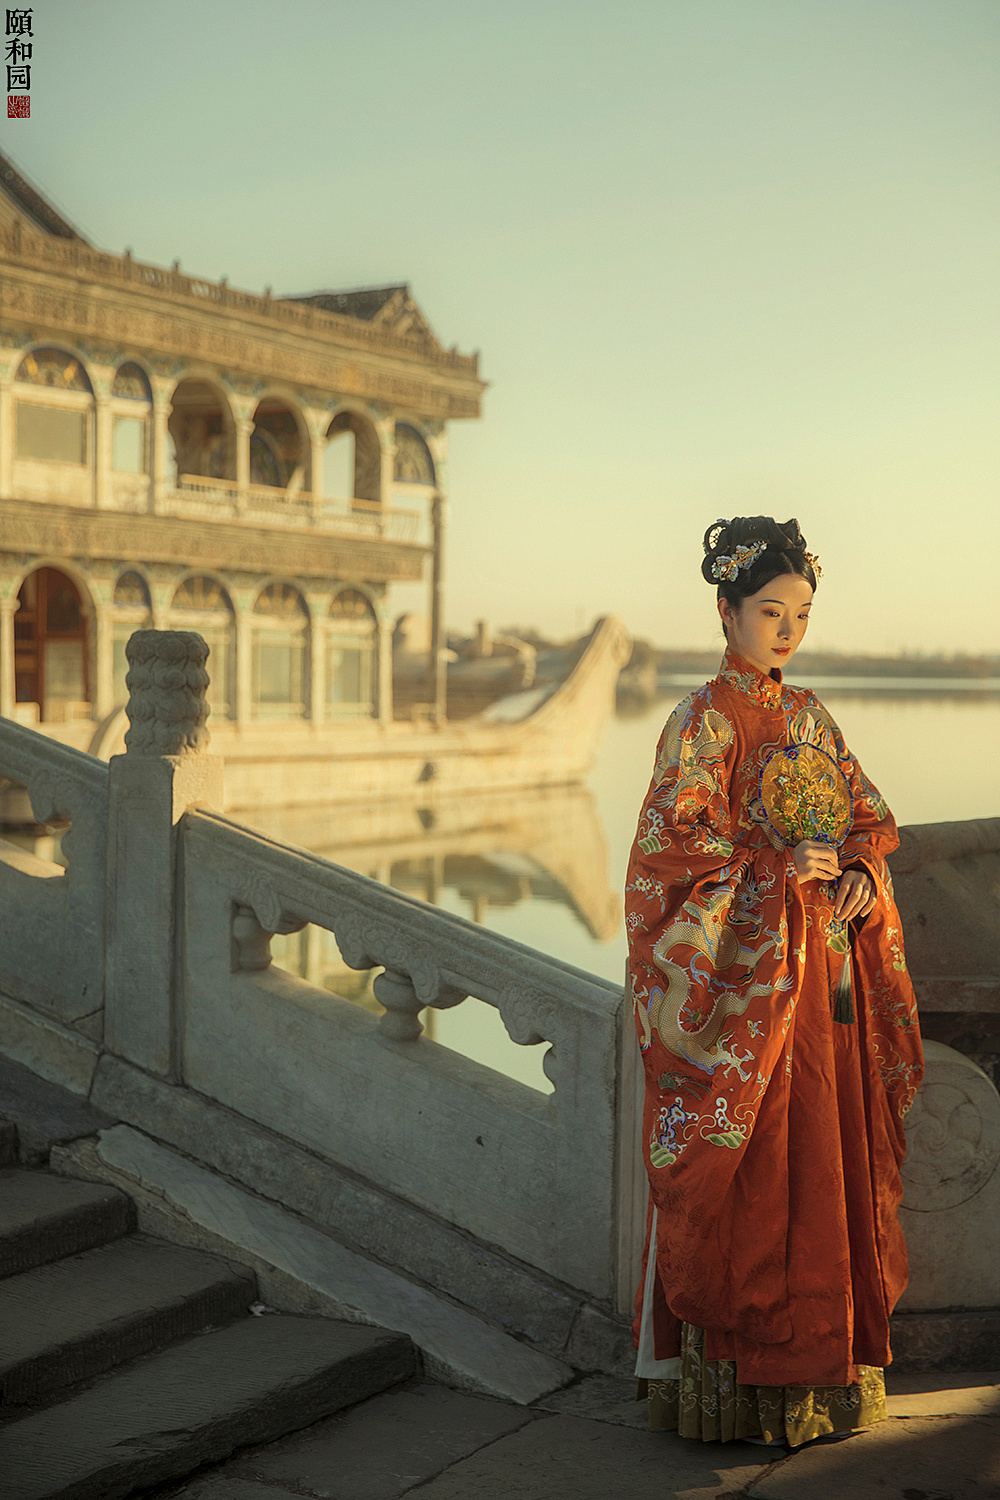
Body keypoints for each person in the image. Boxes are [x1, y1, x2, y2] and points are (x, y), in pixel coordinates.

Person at [626, 516, 923, 1450]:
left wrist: (859, 877)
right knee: (754, 1172)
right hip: (750, 997)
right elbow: (671, 857)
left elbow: (872, 820)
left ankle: (825, 1378)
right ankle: (735, 1387)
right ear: (726, 610)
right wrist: (776, 876)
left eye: (800, 613)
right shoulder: (701, 721)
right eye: (768, 612)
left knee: (823, 1167)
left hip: (822, 983)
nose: (787, 631)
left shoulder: (812, 717)